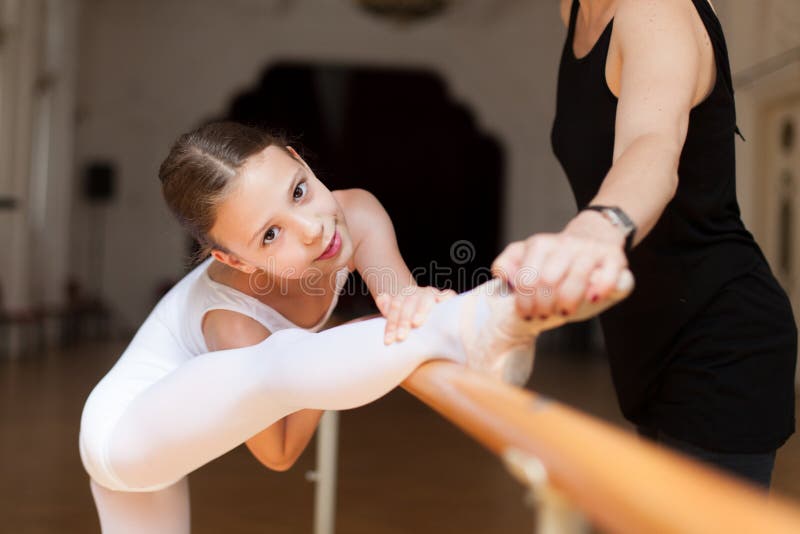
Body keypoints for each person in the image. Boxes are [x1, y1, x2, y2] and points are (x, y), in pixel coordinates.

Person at [79, 121, 630, 533]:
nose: (314, 229)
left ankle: (483, 317)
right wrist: (336, 336)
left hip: (164, 455)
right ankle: (493, 311)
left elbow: (403, 309)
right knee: (280, 357)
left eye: (299, 190)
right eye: (270, 236)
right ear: (239, 263)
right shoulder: (229, 319)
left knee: (305, 352)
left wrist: (417, 304)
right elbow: (279, 453)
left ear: (300, 159)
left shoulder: (357, 213)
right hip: (121, 434)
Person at [493, 0, 797, 489]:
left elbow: (651, 144)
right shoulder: (573, 13)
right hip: (646, 338)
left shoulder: (656, 9)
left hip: (719, 334)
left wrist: (597, 228)